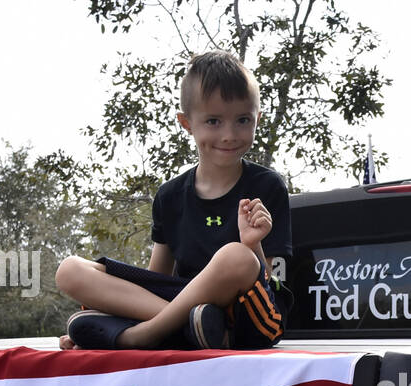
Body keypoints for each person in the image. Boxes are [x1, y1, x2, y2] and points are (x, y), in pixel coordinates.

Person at [57, 50, 291, 351]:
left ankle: (141, 335)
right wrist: (115, 299)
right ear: (186, 123)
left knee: (236, 257)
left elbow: (272, 285)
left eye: (243, 120)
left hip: (246, 316)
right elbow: (154, 280)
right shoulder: (169, 196)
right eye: (214, 121)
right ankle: (184, 328)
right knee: (70, 270)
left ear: (257, 118)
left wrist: (253, 244)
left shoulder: (267, 186)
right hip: (191, 310)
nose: (230, 134)